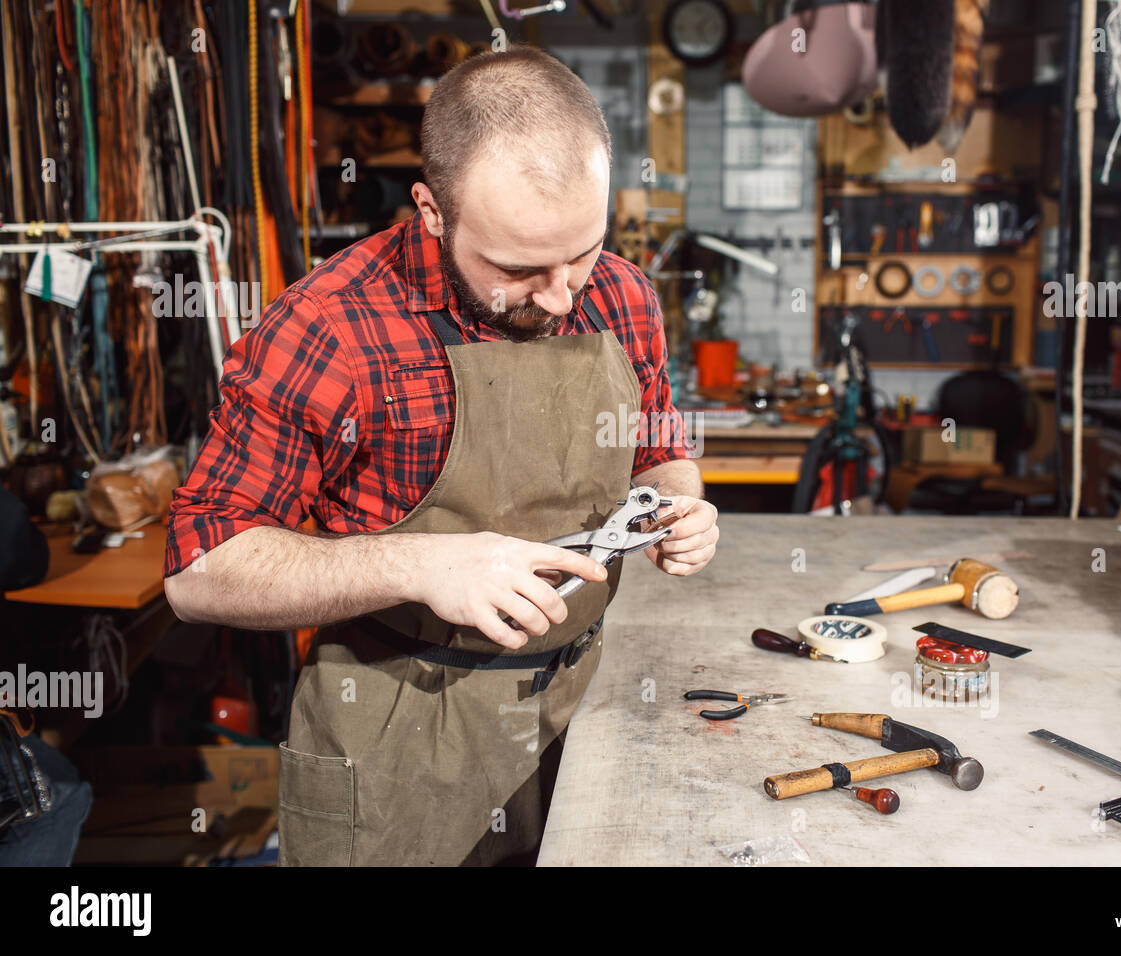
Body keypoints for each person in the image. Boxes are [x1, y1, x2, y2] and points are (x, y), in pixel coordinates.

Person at [163, 46, 719, 866]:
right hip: (402, 729)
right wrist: (420, 566)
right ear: (431, 211)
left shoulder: (622, 292)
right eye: (519, 269)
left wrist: (679, 498)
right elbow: (199, 570)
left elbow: (658, 442)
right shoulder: (329, 327)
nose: (564, 295)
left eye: (585, 251)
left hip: (581, 702)